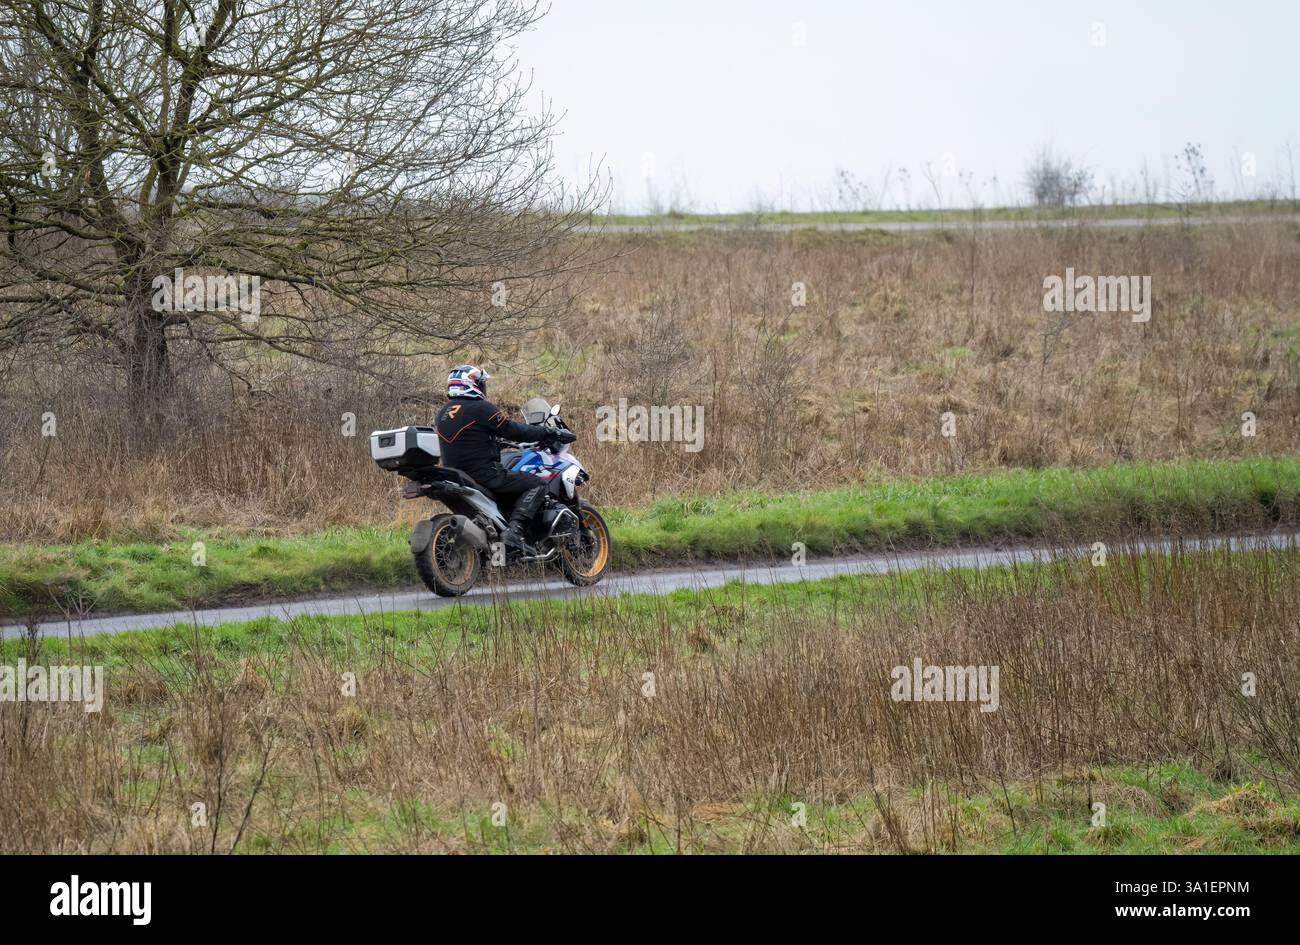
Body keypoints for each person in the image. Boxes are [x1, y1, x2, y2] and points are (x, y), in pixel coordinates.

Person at [434, 365, 574, 551]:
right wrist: (546, 432)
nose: (484, 387)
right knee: (537, 484)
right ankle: (514, 533)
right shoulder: (481, 408)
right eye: (481, 383)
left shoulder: (443, 413)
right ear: (472, 384)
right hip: (484, 474)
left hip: (457, 474)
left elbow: (469, 440)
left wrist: (495, 443)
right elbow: (513, 430)